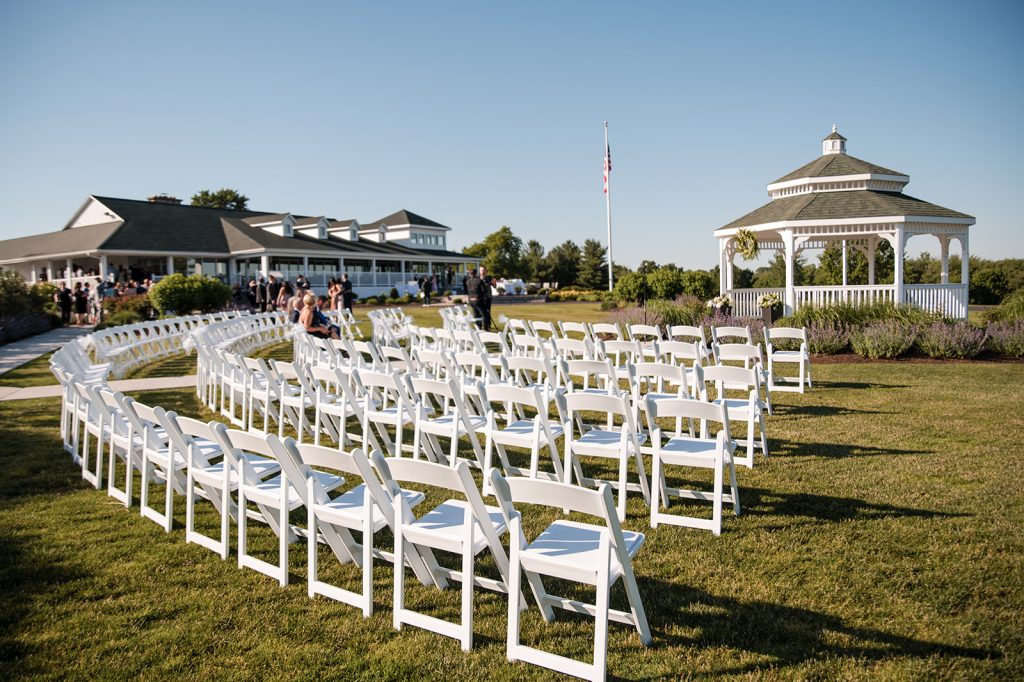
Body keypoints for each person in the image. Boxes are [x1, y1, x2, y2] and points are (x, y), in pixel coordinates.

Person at [479, 266, 493, 331]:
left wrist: (494, 283)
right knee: (481, 312)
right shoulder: (478, 279)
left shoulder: (489, 278)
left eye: (484, 270)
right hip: (480, 298)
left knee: (488, 311)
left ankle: (488, 324)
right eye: (482, 270)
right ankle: (481, 325)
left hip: (488, 297)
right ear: (479, 271)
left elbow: (494, 286)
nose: (483, 271)